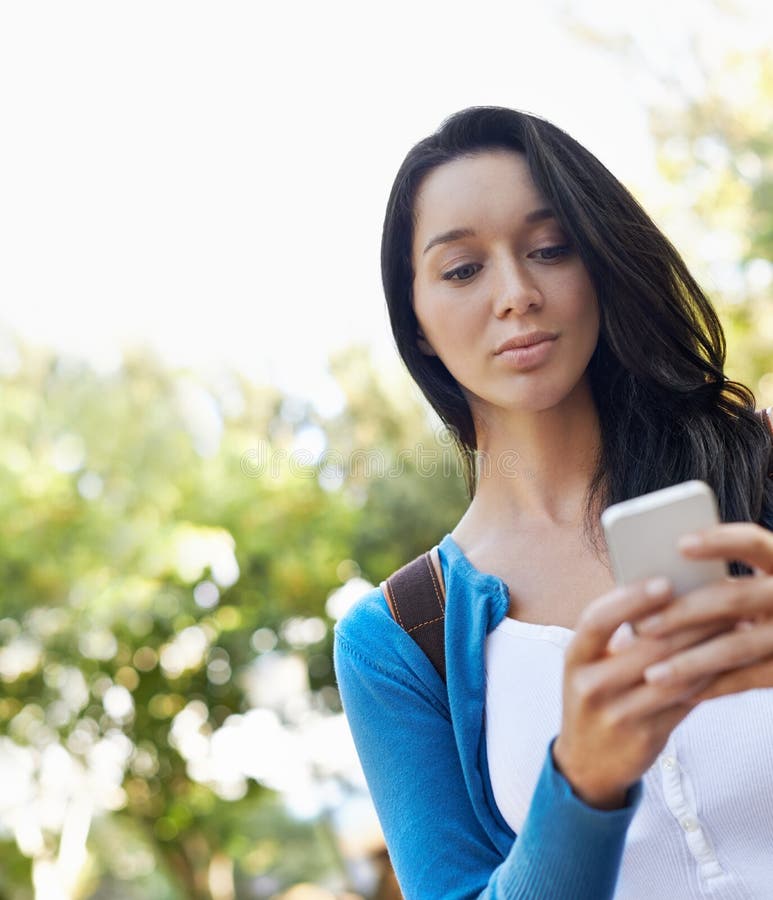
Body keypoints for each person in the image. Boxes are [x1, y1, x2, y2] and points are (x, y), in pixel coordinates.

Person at [333, 106, 773, 899]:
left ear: (597, 266)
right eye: (462, 269)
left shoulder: (761, 472)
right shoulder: (400, 638)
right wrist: (581, 783)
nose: (517, 294)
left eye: (549, 250)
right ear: (419, 323)